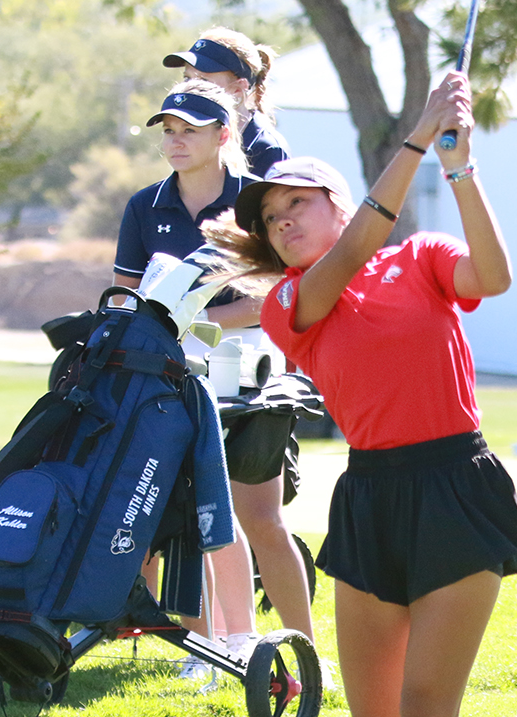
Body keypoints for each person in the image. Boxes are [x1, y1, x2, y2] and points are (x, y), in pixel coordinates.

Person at [202, 72, 517, 717]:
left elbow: (494, 276)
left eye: (298, 205)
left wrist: (459, 169)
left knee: (426, 713)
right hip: (372, 494)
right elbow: (346, 259)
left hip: (454, 484)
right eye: (272, 219)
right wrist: (417, 136)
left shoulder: (420, 258)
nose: (283, 224)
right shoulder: (290, 303)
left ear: (339, 202)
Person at [164, 27, 316, 647]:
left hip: (249, 355)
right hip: (198, 351)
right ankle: (214, 641)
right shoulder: (192, 150)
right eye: (187, 77)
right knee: (202, 509)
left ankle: (292, 646)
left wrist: (188, 315)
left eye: (207, 78)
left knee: (254, 513)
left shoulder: (266, 155)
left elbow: (277, 279)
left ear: (246, 90)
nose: (192, 87)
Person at [113, 80, 269, 665]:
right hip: (163, 366)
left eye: (190, 132)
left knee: (214, 503)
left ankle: (235, 640)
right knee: (171, 501)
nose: (175, 142)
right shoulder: (143, 205)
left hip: (241, 364)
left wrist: (192, 319)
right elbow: (125, 296)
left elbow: (269, 299)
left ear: (223, 135)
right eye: (169, 132)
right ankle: (197, 642)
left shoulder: (256, 200)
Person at [162, 28, 290, 177]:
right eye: (187, 78)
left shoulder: (267, 149)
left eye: (203, 81)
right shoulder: (188, 141)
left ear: (237, 89)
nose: (190, 89)